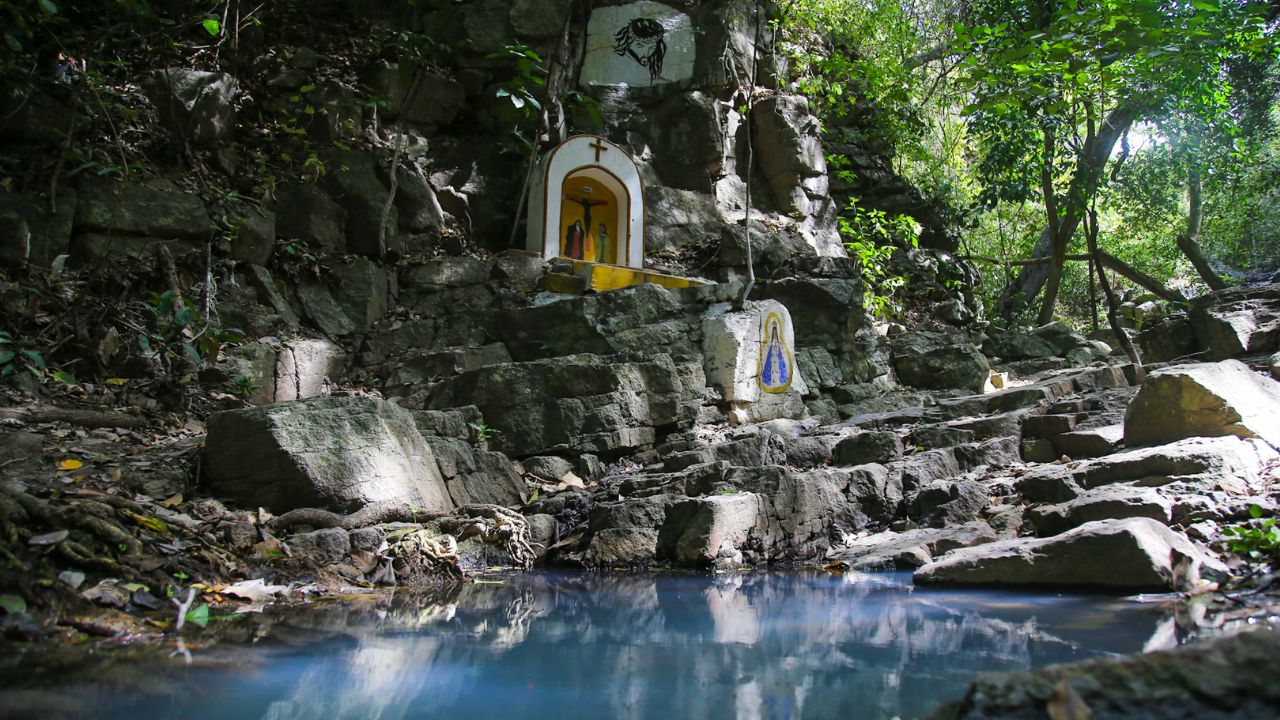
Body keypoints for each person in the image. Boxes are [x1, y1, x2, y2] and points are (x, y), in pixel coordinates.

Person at [613, 17, 667, 83]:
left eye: (652, 48)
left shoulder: (655, 65)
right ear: (629, 42)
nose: (646, 54)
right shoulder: (616, 63)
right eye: (639, 46)